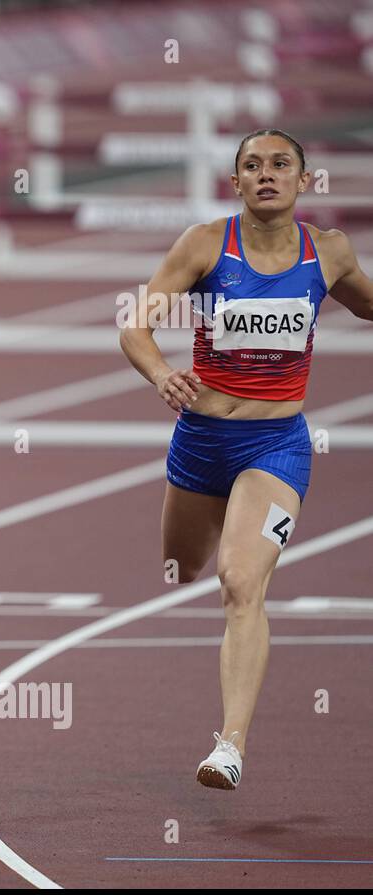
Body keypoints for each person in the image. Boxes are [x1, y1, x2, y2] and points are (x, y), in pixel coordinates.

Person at [119, 128, 373, 790]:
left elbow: (370, 305)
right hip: (201, 440)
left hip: (277, 445)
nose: (267, 174)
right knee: (183, 567)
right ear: (236, 183)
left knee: (240, 583)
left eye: (281, 164)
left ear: (303, 180)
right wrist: (159, 374)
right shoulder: (205, 244)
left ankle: (228, 746)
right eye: (252, 165)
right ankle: (197, 549)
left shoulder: (331, 252)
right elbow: (135, 323)